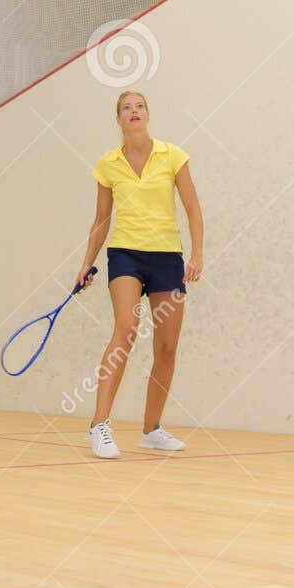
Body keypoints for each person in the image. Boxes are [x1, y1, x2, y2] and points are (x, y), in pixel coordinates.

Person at [73, 90, 204, 459]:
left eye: (140, 106)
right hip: (125, 256)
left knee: (166, 347)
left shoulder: (173, 156)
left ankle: (152, 430)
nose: (134, 111)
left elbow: (193, 208)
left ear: (148, 115)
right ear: (118, 120)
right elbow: (101, 220)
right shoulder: (108, 164)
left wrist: (197, 254)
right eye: (126, 108)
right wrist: (86, 262)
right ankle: (98, 426)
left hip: (167, 258)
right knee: (126, 328)